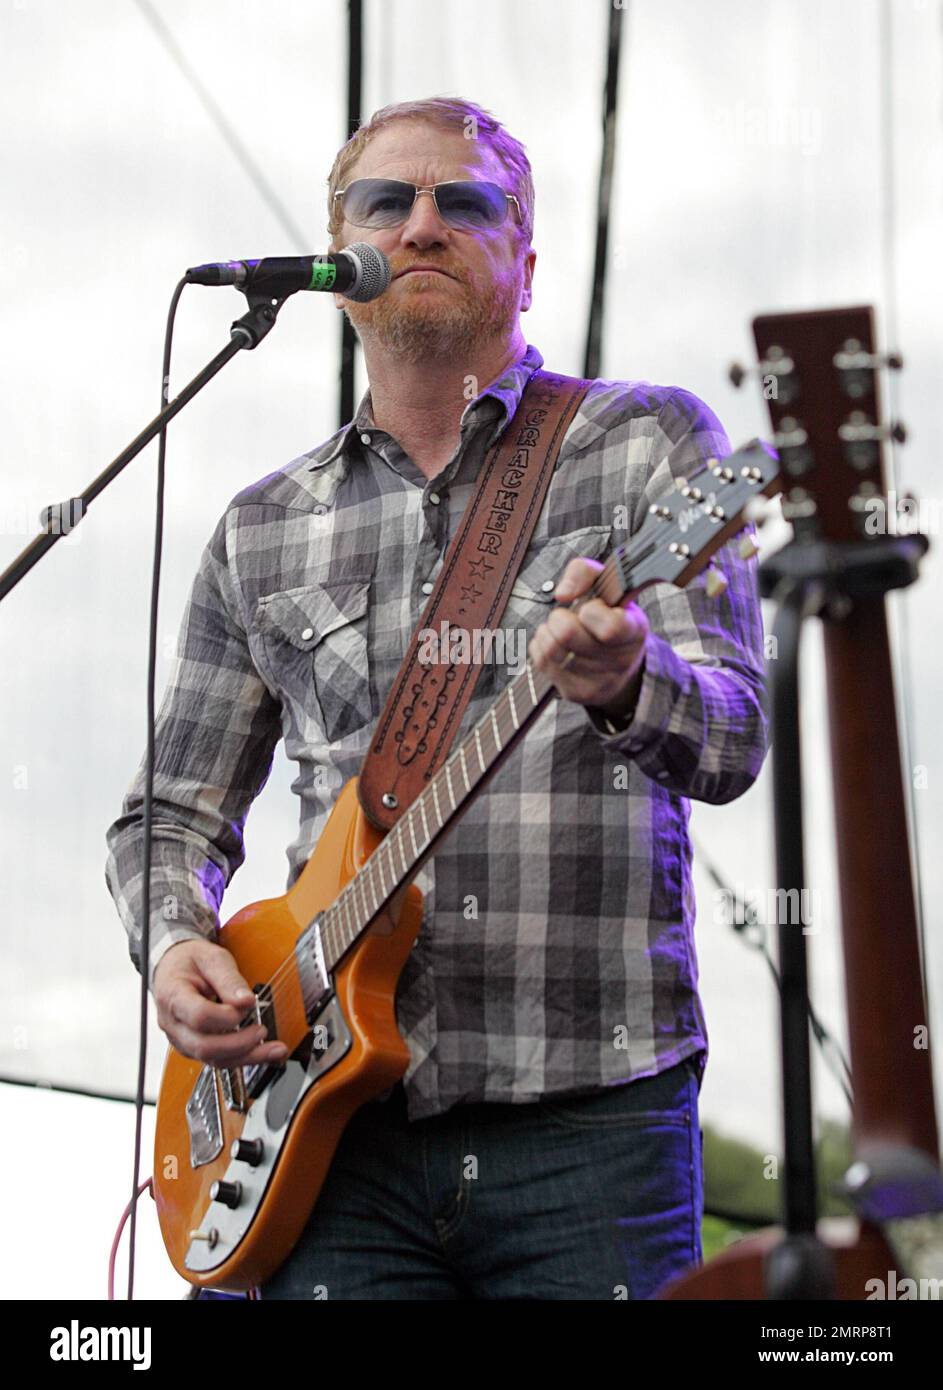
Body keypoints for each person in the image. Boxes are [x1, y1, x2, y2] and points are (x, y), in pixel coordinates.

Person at [105, 96, 768, 1300]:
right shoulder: (262, 527)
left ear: (523, 251)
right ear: (339, 251)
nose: (421, 225)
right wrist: (175, 947)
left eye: (464, 203)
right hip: (324, 1138)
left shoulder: (645, 444)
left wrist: (629, 681)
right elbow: (167, 819)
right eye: (386, 203)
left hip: (589, 1120)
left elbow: (729, 737)